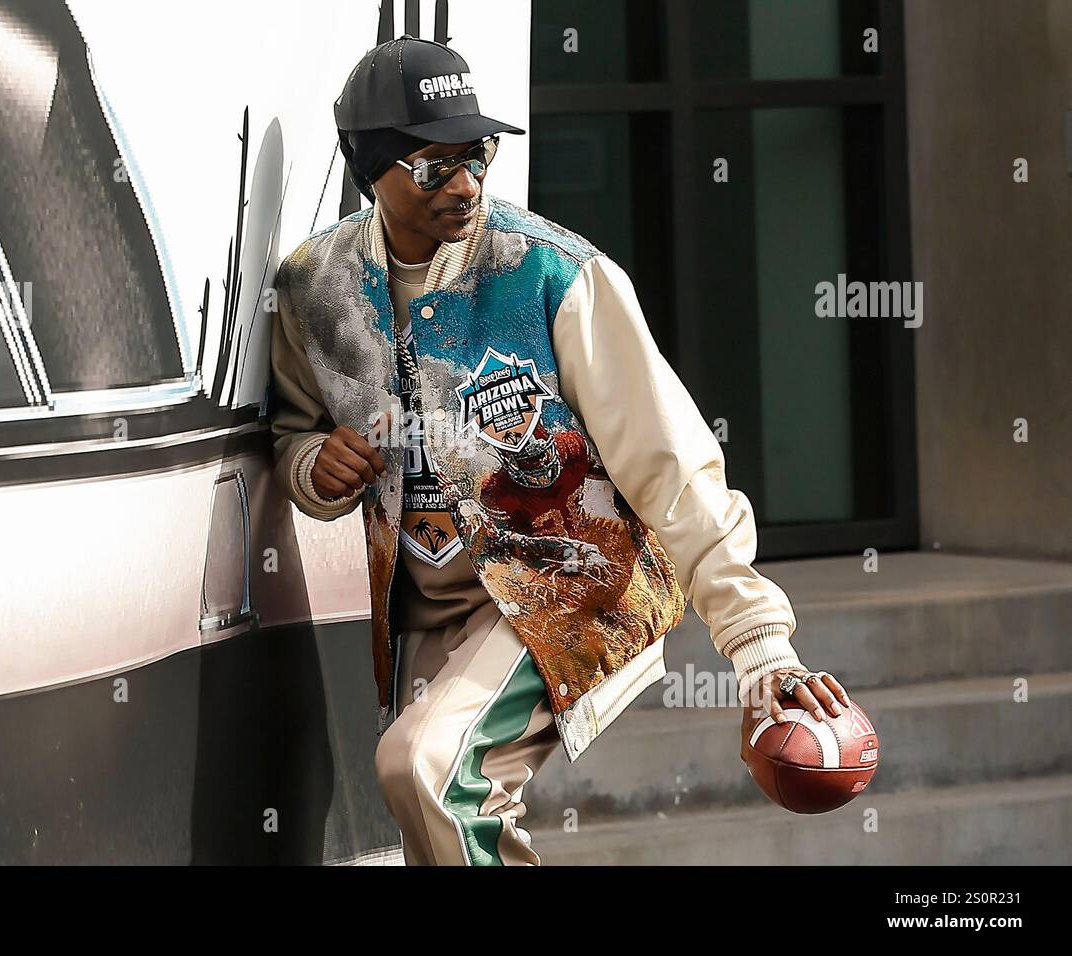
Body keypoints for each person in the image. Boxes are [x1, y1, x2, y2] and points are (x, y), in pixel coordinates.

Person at [268, 36, 849, 866]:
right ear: (369, 167)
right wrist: (311, 467)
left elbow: (671, 464)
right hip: (426, 610)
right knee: (438, 813)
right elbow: (292, 431)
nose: (466, 183)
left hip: (572, 583)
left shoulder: (553, 272)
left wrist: (759, 644)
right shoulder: (309, 287)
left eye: (478, 154)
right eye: (435, 167)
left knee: (425, 768)